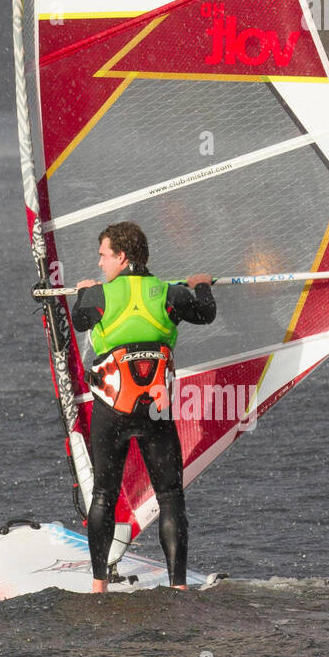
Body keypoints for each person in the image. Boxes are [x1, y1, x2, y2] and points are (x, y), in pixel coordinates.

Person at [71, 221, 215, 592]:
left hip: (112, 409)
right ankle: (178, 586)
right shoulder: (170, 293)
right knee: (170, 496)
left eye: (103, 255)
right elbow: (205, 312)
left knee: (104, 494)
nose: (100, 263)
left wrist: (84, 293)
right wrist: (201, 284)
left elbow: (79, 319)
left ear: (122, 256)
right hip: (155, 410)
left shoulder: (99, 295)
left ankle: (99, 585)